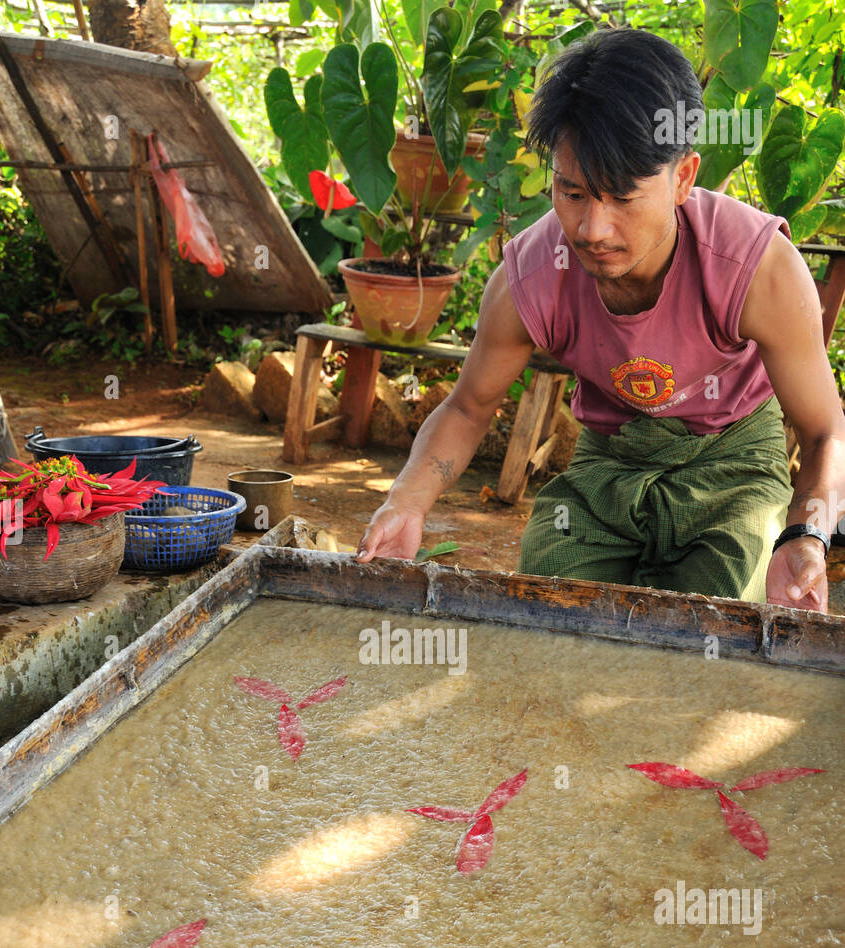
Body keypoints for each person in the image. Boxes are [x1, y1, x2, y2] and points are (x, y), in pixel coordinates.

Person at [356, 27, 844, 612]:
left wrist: (805, 533)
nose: (591, 230)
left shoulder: (757, 266)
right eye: (573, 192)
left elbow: (823, 431)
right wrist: (406, 502)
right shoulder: (530, 277)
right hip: (608, 456)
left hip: (733, 456)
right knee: (548, 596)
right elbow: (468, 406)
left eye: (622, 197)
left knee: (722, 611)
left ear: (683, 177)